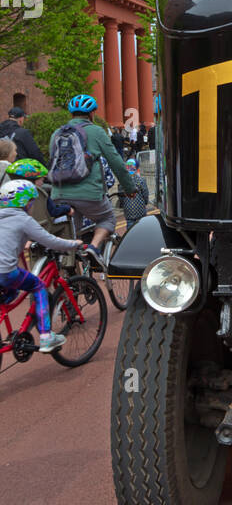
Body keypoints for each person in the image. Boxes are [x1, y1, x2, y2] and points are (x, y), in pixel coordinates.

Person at [47, 95, 137, 268]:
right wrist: (129, 188)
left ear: (71, 113)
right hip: (89, 195)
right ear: (92, 113)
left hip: (59, 194)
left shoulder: (57, 133)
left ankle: (68, 276)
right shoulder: (96, 131)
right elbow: (116, 162)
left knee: (72, 235)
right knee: (108, 219)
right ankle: (94, 248)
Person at [0, 179, 83, 352]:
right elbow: (51, 241)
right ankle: (46, 336)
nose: (32, 206)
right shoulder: (23, 219)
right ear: (25, 202)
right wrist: (73, 244)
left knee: (12, 291)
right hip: (5, 271)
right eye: (32, 202)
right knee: (38, 287)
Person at [121, 157, 149, 228]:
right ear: (137, 168)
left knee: (130, 231)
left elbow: (121, 197)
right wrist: (145, 202)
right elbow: (145, 195)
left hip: (129, 213)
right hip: (140, 211)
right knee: (143, 229)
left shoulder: (122, 181)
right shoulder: (141, 180)